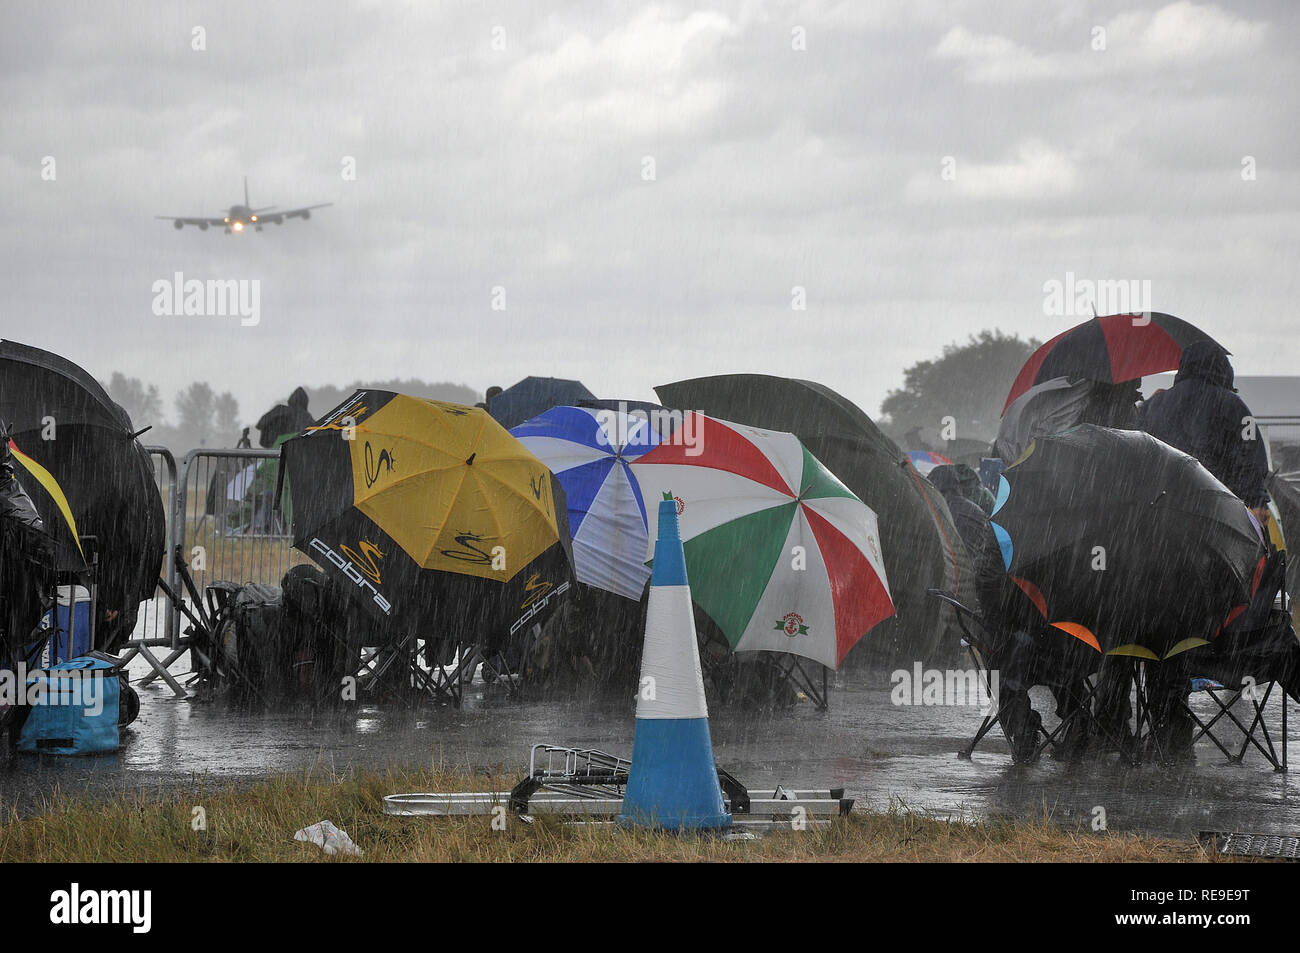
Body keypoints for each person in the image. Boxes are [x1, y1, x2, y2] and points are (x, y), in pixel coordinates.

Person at [1137, 342, 1270, 759]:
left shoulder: (1154, 410)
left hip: (1154, 550)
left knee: (1162, 629)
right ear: (1222, 371)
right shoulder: (1235, 410)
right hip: (1215, 551)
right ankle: (1172, 730)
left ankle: (1165, 721)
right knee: (1194, 619)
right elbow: (1255, 485)